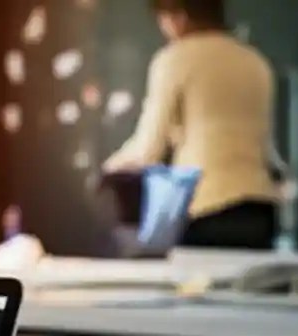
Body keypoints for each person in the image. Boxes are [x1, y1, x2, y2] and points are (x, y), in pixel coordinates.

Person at [105, 0, 279, 250]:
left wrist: (110, 168)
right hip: (261, 210)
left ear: (179, 16)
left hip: (205, 207)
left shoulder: (174, 59)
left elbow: (148, 149)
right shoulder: (256, 62)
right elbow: (267, 149)